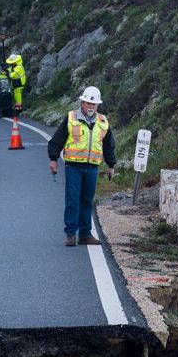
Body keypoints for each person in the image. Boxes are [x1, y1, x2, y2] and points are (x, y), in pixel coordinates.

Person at [47, 86, 115, 247]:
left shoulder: (103, 122)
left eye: (94, 104)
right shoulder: (71, 118)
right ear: (82, 103)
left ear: (97, 105)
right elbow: (57, 140)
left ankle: (85, 234)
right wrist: (53, 159)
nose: (91, 107)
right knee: (72, 200)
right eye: (88, 103)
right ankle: (71, 234)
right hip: (73, 167)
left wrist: (111, 165)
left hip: (92, 168)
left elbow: (108, 146)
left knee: (86, 200)